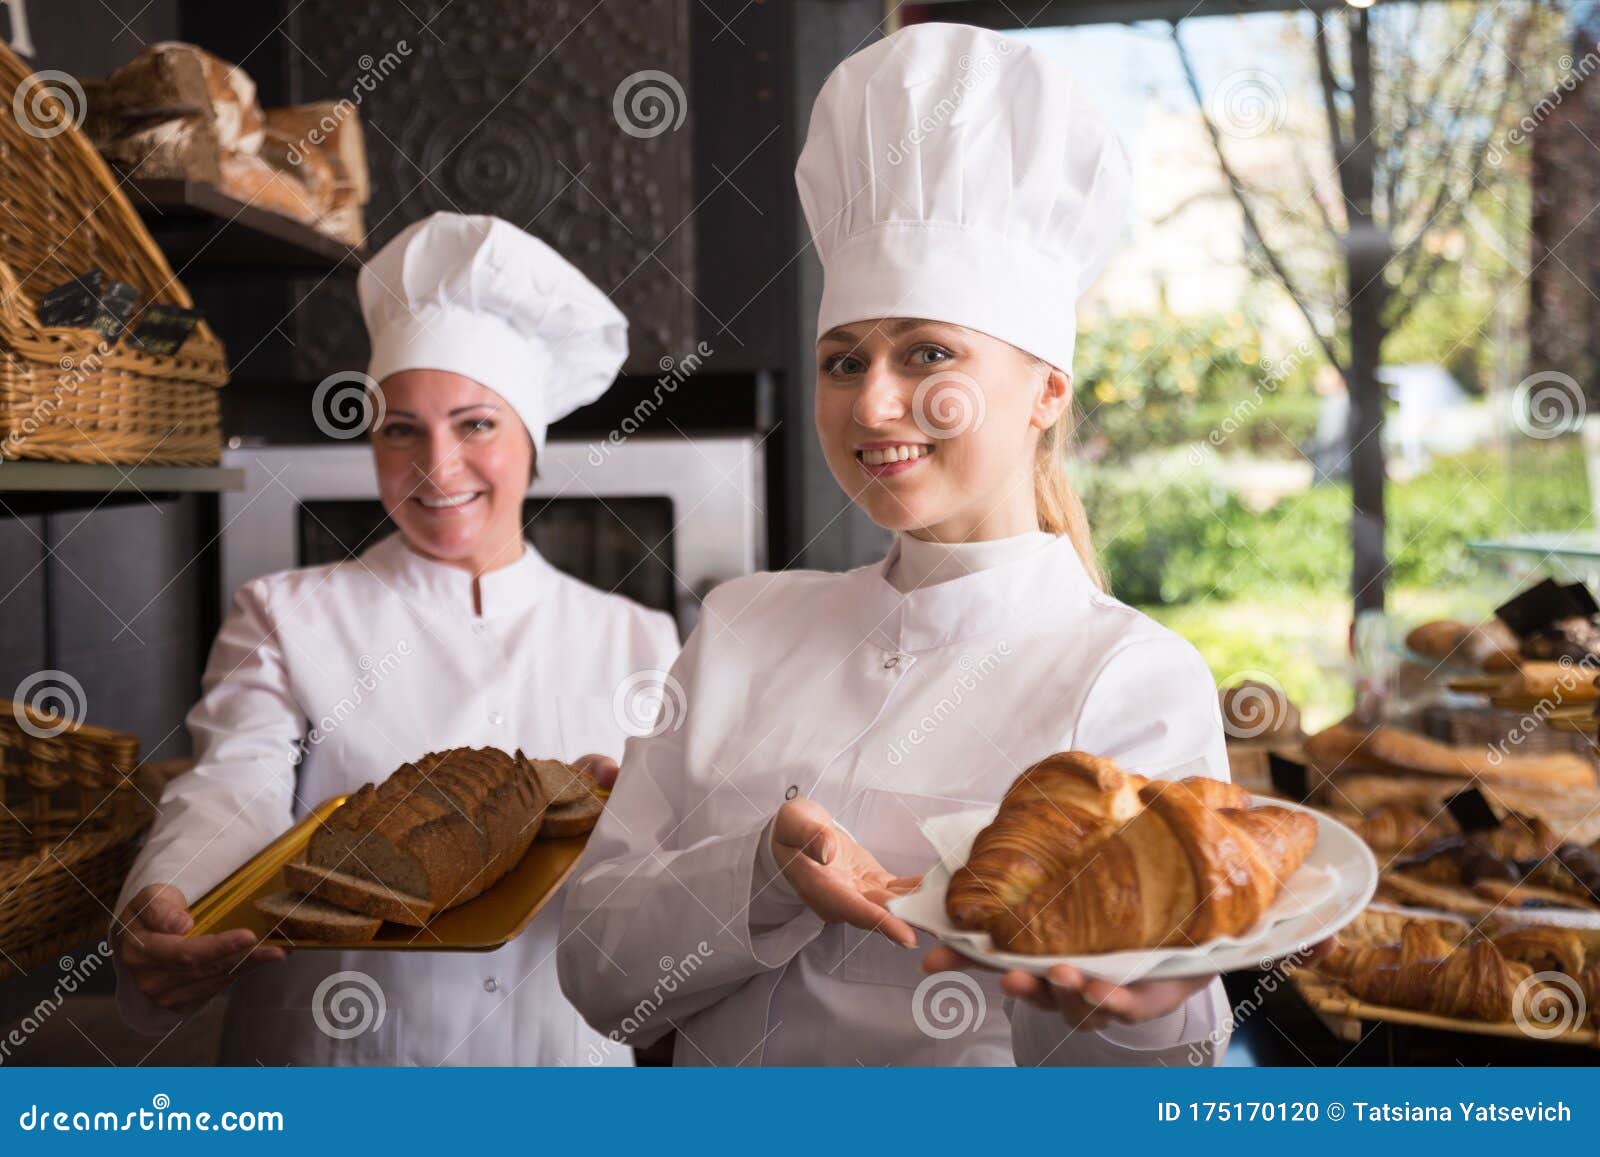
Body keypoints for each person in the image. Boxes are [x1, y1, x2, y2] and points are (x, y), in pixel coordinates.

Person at [557, 23, 1239, 1066]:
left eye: (928, 353)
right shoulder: (743, 625)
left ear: (1047, 387)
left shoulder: (1131, 677)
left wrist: (1142, 1003)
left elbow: (1147, 1081)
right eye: (843, 360)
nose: (875, 405)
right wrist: (760, 875)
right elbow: (599, 976)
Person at [111, 213, 680, 1066]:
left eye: (476, 424)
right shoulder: (284, 612)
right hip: (338, 1062)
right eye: (400, 428)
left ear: (531, 436)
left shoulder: (637, 636)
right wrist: (175, 896)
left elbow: (675, 873)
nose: (437, 466)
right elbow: (234, 783)